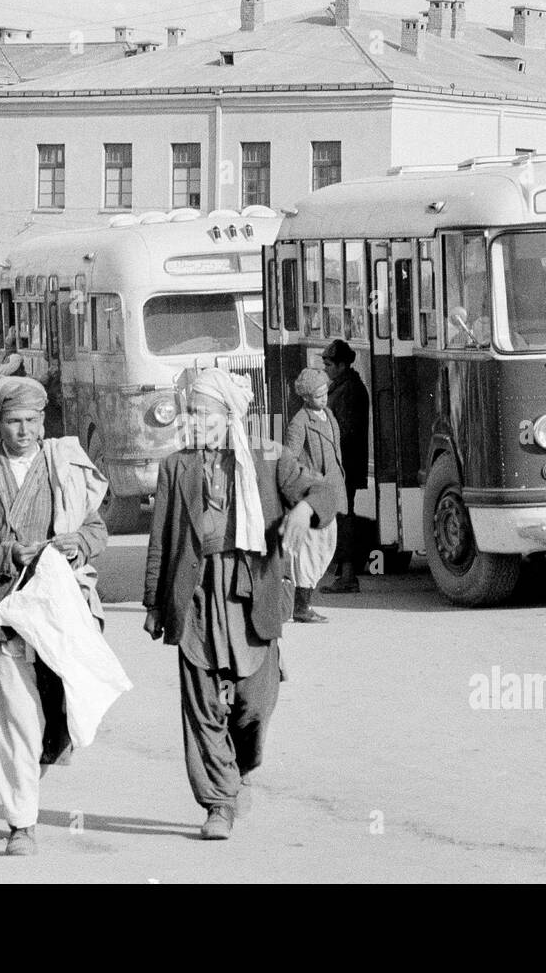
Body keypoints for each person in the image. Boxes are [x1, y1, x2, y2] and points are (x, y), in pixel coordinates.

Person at [143, 368, 337, 840]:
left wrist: (305, 510)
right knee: (202, 702)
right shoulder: (175, 467)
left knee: (253, 705)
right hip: (195, 594)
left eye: (201, 412)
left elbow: (325, 489)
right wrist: (154, 601)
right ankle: (218, 803)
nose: (192, 420)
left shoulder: (269, 459)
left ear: (228, 416)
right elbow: (162, 540)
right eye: (189, 412)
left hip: (252, 591)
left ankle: (242, 763)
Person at [0, 375, 109, 857]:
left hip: (58, 613)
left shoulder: (63, 467)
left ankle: (27, 784)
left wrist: (79, 544)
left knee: (55, 714)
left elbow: (95, 526)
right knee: (16, 718)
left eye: (32, 422)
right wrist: (6, 555)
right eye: (13, 422)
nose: (24, 431)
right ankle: (22, 823)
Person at [284, 368, 344, 624]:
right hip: (312, 496)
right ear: (307, 397)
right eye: (318, 395)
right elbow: (289, 460)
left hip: (330, 492)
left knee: (326, 545)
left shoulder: (328, 415)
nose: (324, 398)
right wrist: (311, 479)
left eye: (325, 392)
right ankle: (301, 606)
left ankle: (302, 603)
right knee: (309, 551)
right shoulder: (299, 423)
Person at [320, 339, 369, 594]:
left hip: (344, 464)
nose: (325, 368)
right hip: (343, 463)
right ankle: (345, 574)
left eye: (328, 364)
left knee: (344, 518)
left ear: (341, 365)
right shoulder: (345, 386)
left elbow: (345, 432)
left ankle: (348, 575)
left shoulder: (348, 391)